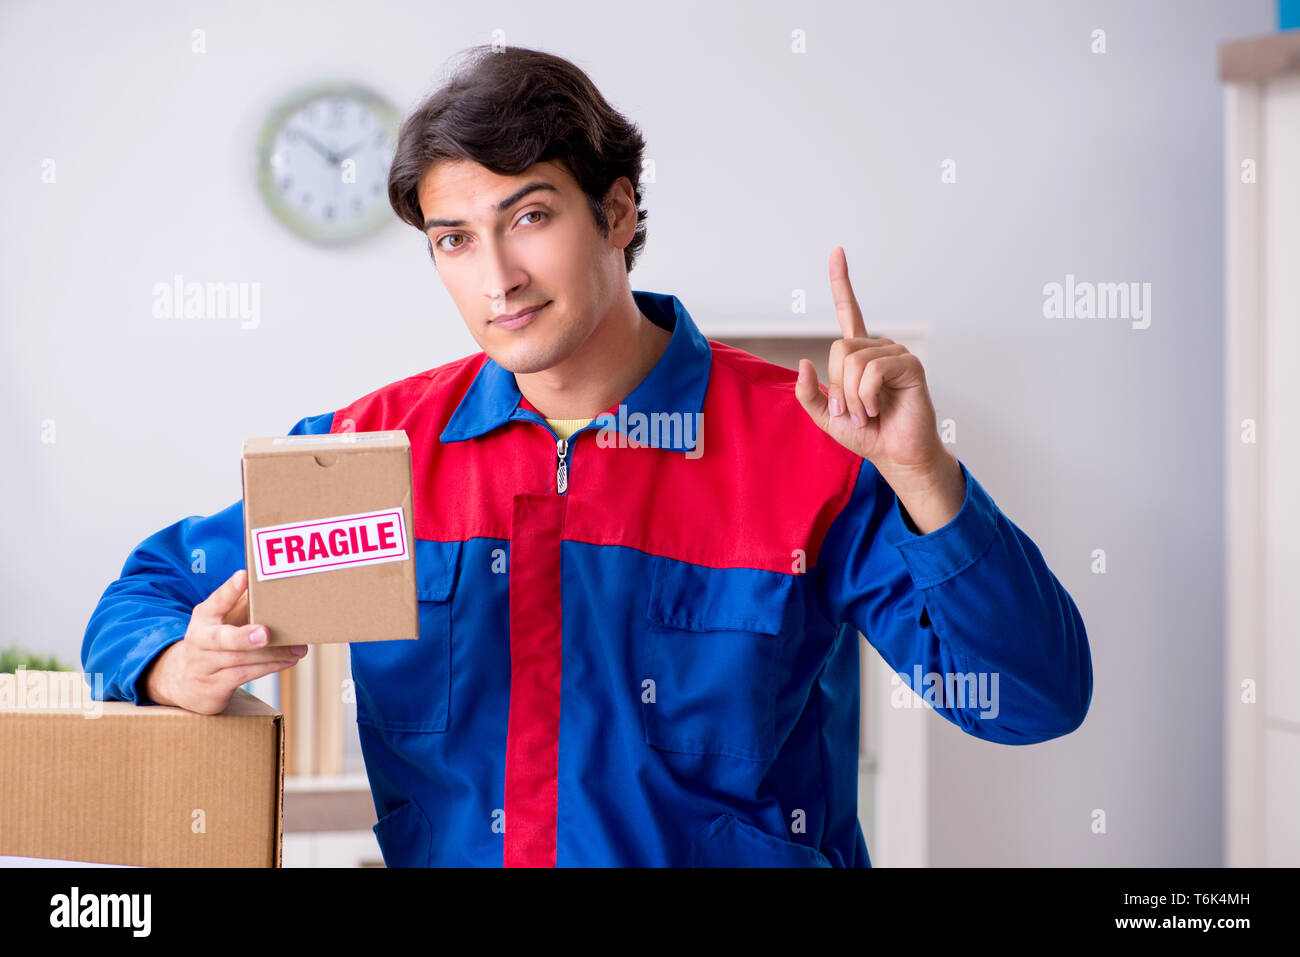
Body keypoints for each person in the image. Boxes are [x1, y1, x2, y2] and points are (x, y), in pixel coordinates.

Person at [82, 44, 1092, 867]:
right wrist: (178, 665)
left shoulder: (806, 444)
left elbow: (1030, 704)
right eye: (454, 240)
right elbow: (142, 597)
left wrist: (922, 477)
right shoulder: (372, 458)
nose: (498, 278)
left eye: (528, 217)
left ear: (615, 213)